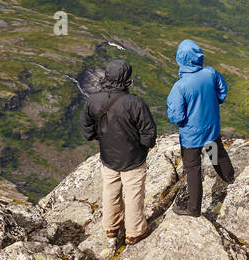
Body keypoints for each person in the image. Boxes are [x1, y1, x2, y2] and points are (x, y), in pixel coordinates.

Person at [80, 58, 157, 247]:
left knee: (110, 191)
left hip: (108, 156)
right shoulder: (135, 103)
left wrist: (99, 138)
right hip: (133, 158)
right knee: (133, 195)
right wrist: (144, 147)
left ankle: (111, 227)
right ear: (127, 79)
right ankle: (135, 232)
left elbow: (86, 127)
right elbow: (149, 131)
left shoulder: (93, 100)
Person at [166, 39, 235, 216]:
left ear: (180, 59)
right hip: (211, 126)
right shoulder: (210, 73)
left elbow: (176, 116)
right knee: (216, 151)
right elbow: (222, 93)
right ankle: (229, 177)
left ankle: (194, 208)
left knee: (193, 168)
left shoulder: (180, 86)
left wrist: (183, 122)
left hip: (191, 136)